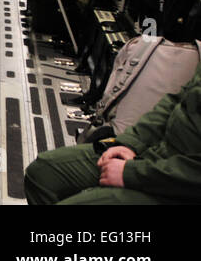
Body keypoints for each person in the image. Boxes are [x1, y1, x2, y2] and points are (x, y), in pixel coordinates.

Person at [24, 62, 201, 204]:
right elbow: (177, 101)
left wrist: (131, 174)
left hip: (180, 184)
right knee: (43, 173)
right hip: (156, 155)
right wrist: (131, 144)